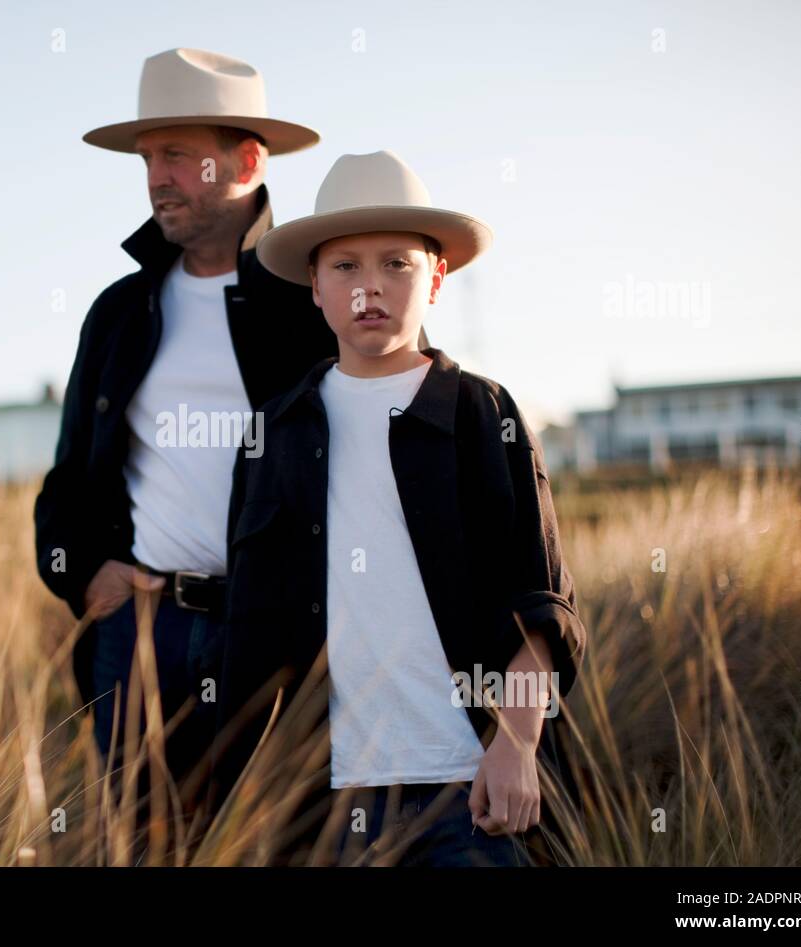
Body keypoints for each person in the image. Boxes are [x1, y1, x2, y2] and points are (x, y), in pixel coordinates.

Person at [212, 150, 588, 866]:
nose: (369, 287)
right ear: (315, 288)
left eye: (396, 264)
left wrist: (514, 748)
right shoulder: (274, 432)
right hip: (316, 804)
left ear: (437, 278)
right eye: (345, 267)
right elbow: (247, 629)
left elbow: (539, 604)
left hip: (466, 788)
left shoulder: (484, 412)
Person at [33, 48, 337, 841]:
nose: (156, 177)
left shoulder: (320, 299)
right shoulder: (119, 312)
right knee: (145, 848)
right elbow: (68, 475)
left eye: (176, 154)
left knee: (280, 846)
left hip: (277, 633)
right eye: (147, 159)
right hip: (142, 632)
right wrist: (80, 575)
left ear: (244, 159)